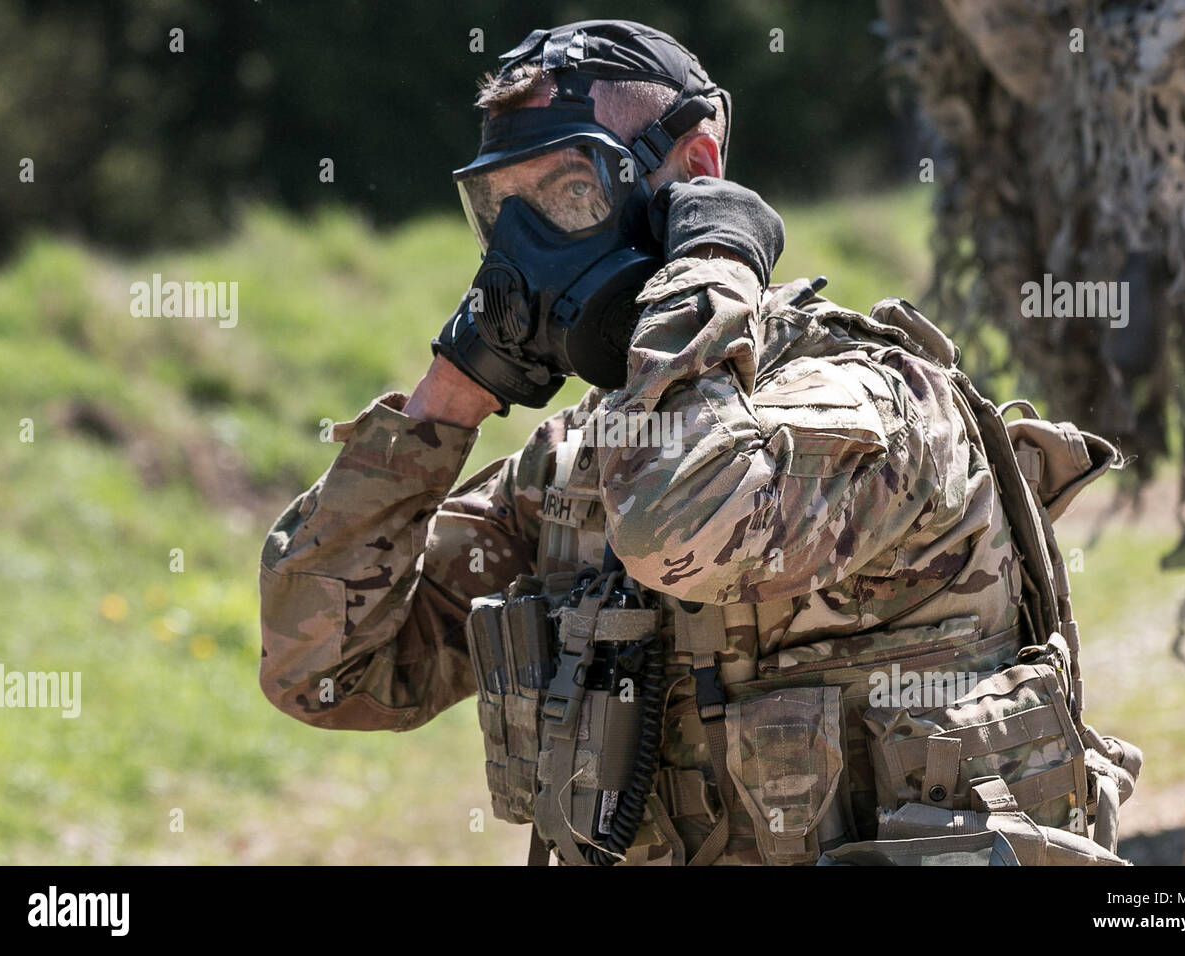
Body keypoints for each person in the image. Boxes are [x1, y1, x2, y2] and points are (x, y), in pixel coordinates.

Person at [258, 19, 1133, 865]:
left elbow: (684, 523)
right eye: (503, 213)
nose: (529, 251)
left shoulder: (877, 402)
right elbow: (331, 670)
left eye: (569, 193)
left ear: (698, 169)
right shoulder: (580, 461)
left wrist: (709, 267)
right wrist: (447, 397)